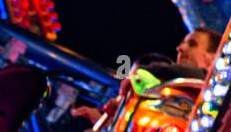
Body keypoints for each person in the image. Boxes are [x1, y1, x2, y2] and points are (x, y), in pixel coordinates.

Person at [71, 27, 220, 125]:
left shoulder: (211, 88)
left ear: (212, 58)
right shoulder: (172, 89)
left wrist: (141, 72)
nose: (180, 48)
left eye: (192, 44)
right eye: (182, 43)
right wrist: (101, 122)